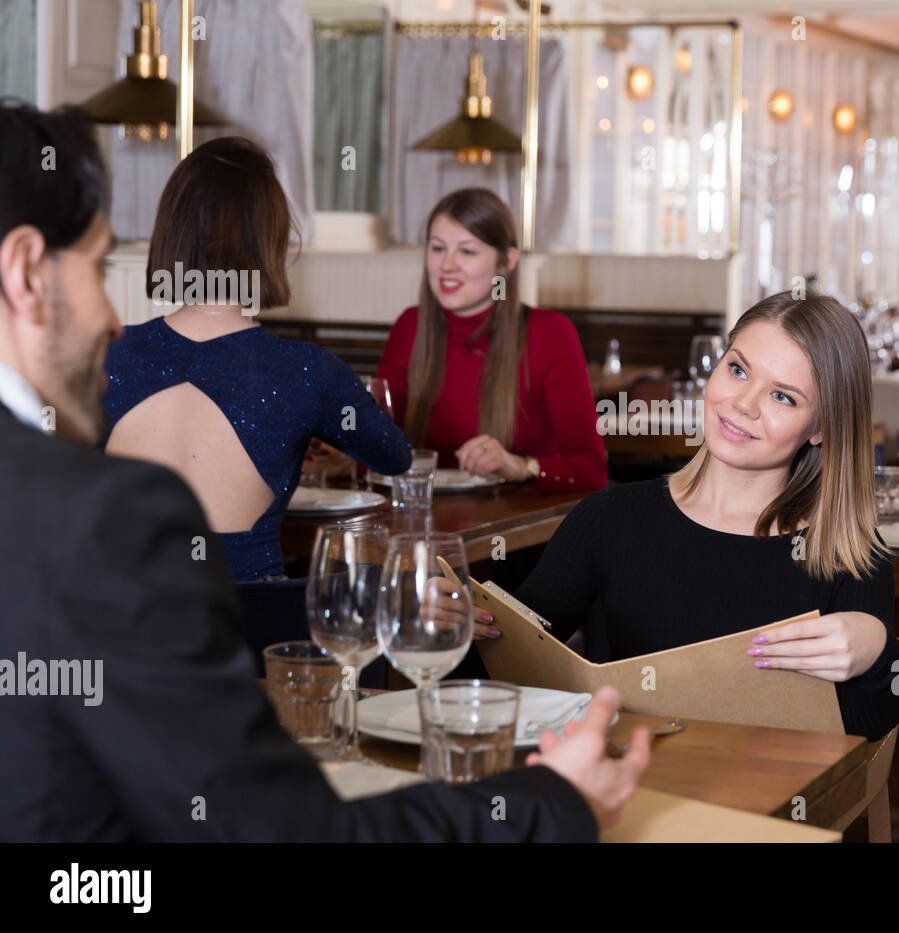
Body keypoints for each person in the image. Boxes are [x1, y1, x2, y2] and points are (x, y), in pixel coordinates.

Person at [0, 101, 648, 841]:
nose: (113, 319)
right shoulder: (297, 377)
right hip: (276, 634)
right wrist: (550, 804)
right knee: (441, 624)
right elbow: (281, 829)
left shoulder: (99, 418)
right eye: (94, 265)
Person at [501, 291, 899, 741]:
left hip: (764, 805)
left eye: (782, 397)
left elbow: (864, 733)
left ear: (821, 428)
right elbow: (512, 662)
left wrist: (878, 654)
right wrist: (454, 624)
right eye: (737, 370)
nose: (743, 404)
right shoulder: (608, 518)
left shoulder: (848, 554)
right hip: (623, 792)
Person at [101, 137, 412, 582]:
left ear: (169, 232)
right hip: (249, 632)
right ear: (271, 242)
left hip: (114, 626)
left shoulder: (104, 356)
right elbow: (395, 457)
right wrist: (307, 424)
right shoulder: (309, 372)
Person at [377, 188, 607, 491]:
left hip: (517, 529)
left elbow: (591, 473)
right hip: (420, 523)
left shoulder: (550, 334)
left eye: (467, 251)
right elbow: (376, 442)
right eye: (437, 248)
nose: (447, 265)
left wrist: (521, 466)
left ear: (507, 261)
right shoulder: (410, 326)